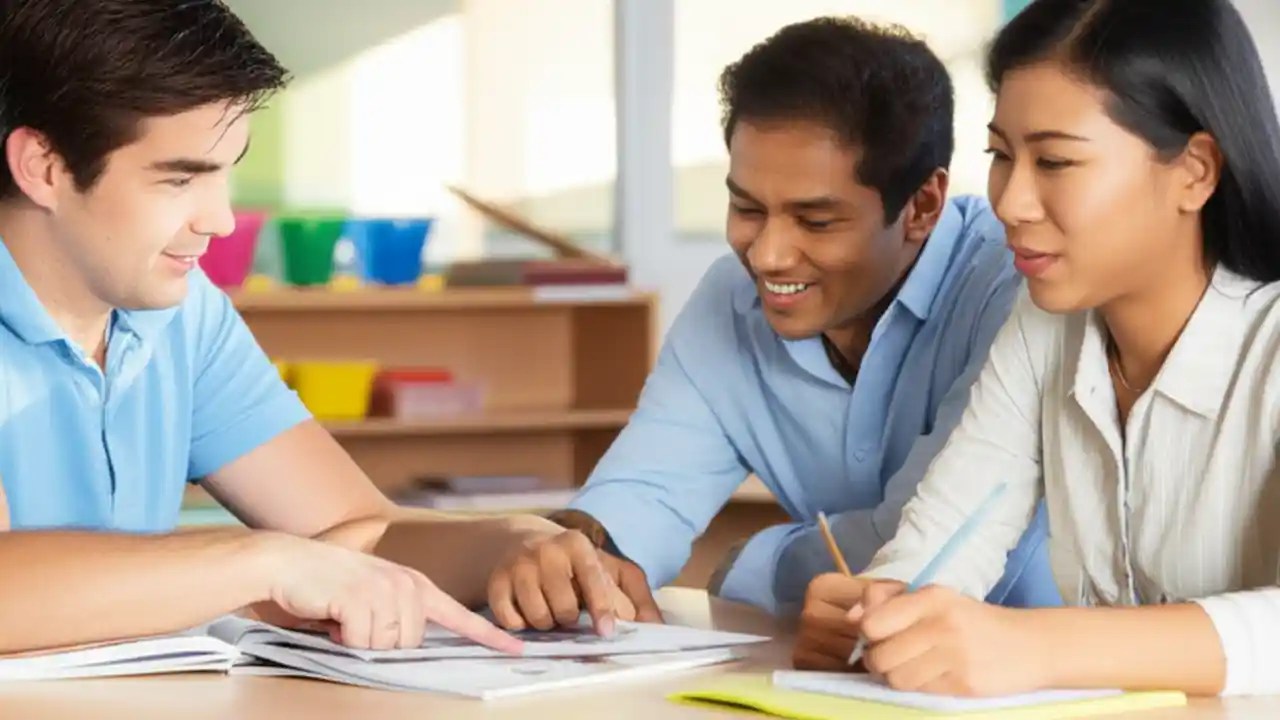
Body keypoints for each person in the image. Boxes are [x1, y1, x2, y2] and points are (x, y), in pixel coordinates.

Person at [0, 0, 556, 654]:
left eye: (226, 173)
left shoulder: (181, 312)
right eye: (180, 179)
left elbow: (356, 532)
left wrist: (513, 545)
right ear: (43, 166)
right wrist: (263, 561)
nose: (221, 220)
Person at [485, 16, 1061, 634]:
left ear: (922, 205)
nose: (766, 255)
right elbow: (636, 500)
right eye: (746, 208)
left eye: (815, 221)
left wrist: (754, 567)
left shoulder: (1017, 289)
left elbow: (924, 543)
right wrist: (570, 553)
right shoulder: (728, 304)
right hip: (853, 677)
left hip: (1057, 677)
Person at [793, 0, 1280, 698]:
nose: (1011, 202)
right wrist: (883, 611)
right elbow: (946, 540)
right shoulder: (1046, 326)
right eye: (1000, 156)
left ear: (1195, 171)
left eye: (1054, 160)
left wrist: (1034, 644)